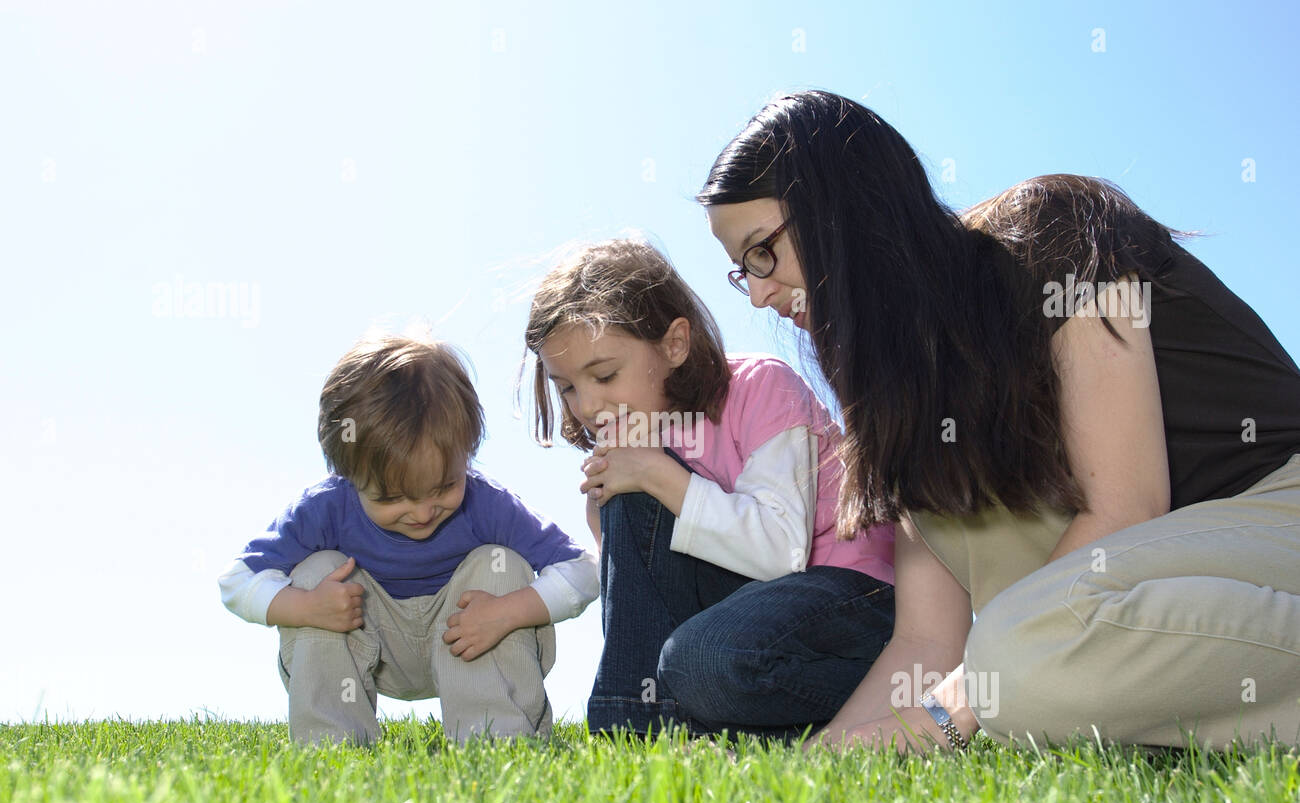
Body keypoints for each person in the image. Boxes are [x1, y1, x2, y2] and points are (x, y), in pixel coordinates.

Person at [697, 90, 1300, 753]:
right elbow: (926, 641)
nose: (756, 293)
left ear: (839, 207)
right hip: (1136, 597)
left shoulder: (1046, 232)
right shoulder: (894, 404)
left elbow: (1127, 507)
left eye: (762, 252)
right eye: (740, 273)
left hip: (1273, 506)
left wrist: (936, 720)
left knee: (1017, 658)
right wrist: (820, 762)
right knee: (1016, 663)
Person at [521, 238, 896, 739]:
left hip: (849, 597)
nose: (587, 404)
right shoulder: (639, 440)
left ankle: (891, 699)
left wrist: (657, 475)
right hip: (751, 609)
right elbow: (643, 598)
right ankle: (653, 732)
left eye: (605, 374)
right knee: (695, 662)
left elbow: (780, 551)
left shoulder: (762, 386)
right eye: (566, 386)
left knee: (702, 660)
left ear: (674, 344)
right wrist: (611, 509)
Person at [218, 334, 599, 746]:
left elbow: (584, 570)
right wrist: (306, 606)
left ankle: (497, 741)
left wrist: (506, 612)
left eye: (443, 487)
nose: (421, 513)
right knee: (315, 571)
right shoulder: (325, 507)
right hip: (371, 641)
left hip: (470, 637)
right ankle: (330, 749)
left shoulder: (487, 503)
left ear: (466, 452)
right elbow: (236, 580)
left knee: (498, 562)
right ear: (349, 475)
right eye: (391, 497)